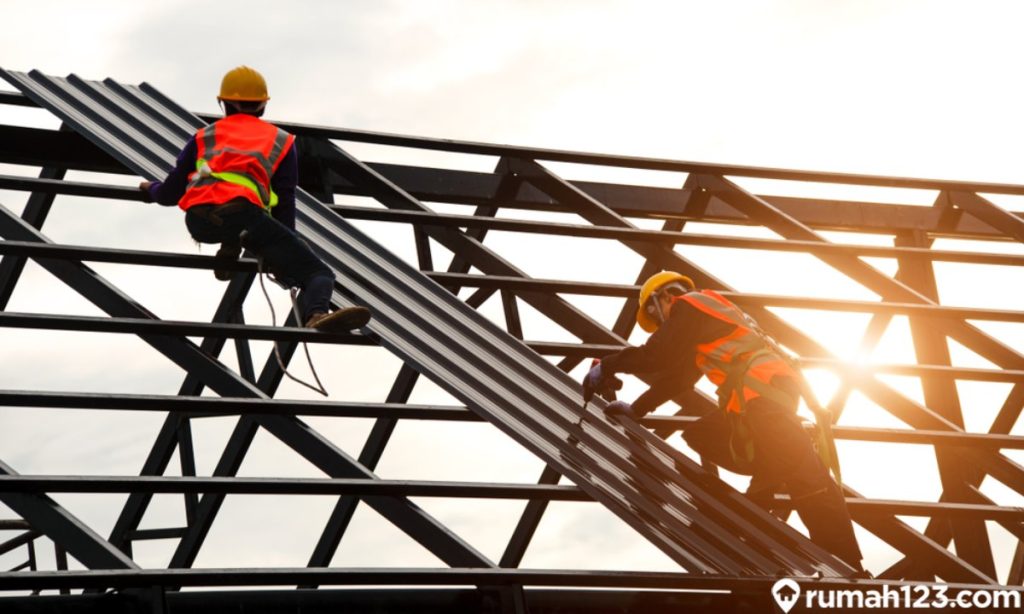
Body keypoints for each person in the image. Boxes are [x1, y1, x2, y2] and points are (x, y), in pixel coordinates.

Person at [585, 270, 864, 570]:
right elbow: (680, 378)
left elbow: (657, 355)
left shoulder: (688, 305)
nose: (660, 325)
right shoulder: (706, 320)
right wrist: (638, 409)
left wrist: (607, 367)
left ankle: (849, 567)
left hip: (764, 401)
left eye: (656, 314)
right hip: (760, 403)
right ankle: (769, 476)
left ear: (665, 296)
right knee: (702, 434)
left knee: (810, 482)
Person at [139, 66, 370, 332]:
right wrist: (288, 245)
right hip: (244, 216)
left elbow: (170, 193)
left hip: (199, 223)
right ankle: (316, 314)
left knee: (242, 221)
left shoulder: (204, 136)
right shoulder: (280, 140)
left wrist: (150, 189)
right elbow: (284, 198)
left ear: (223, 103)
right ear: (263, 106)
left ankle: (230, 247)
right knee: (320, 273)